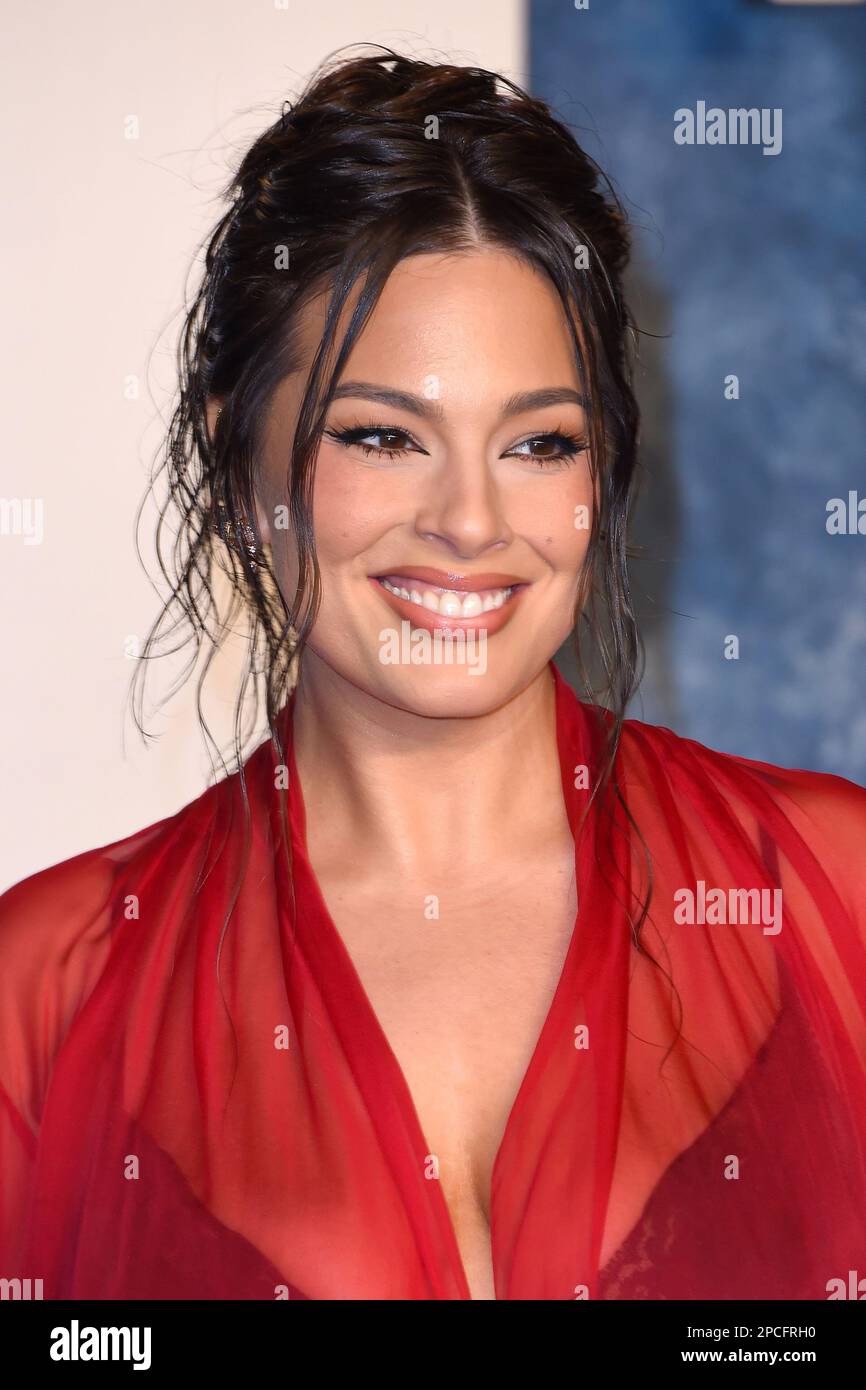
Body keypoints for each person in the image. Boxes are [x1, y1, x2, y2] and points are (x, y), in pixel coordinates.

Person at [1, 47, 865, 1302]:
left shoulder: (830, 895)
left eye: (536, 441)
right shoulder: (46, 988)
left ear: (598, 474)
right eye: (382, 436)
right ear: (240, 464)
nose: (469, 518)